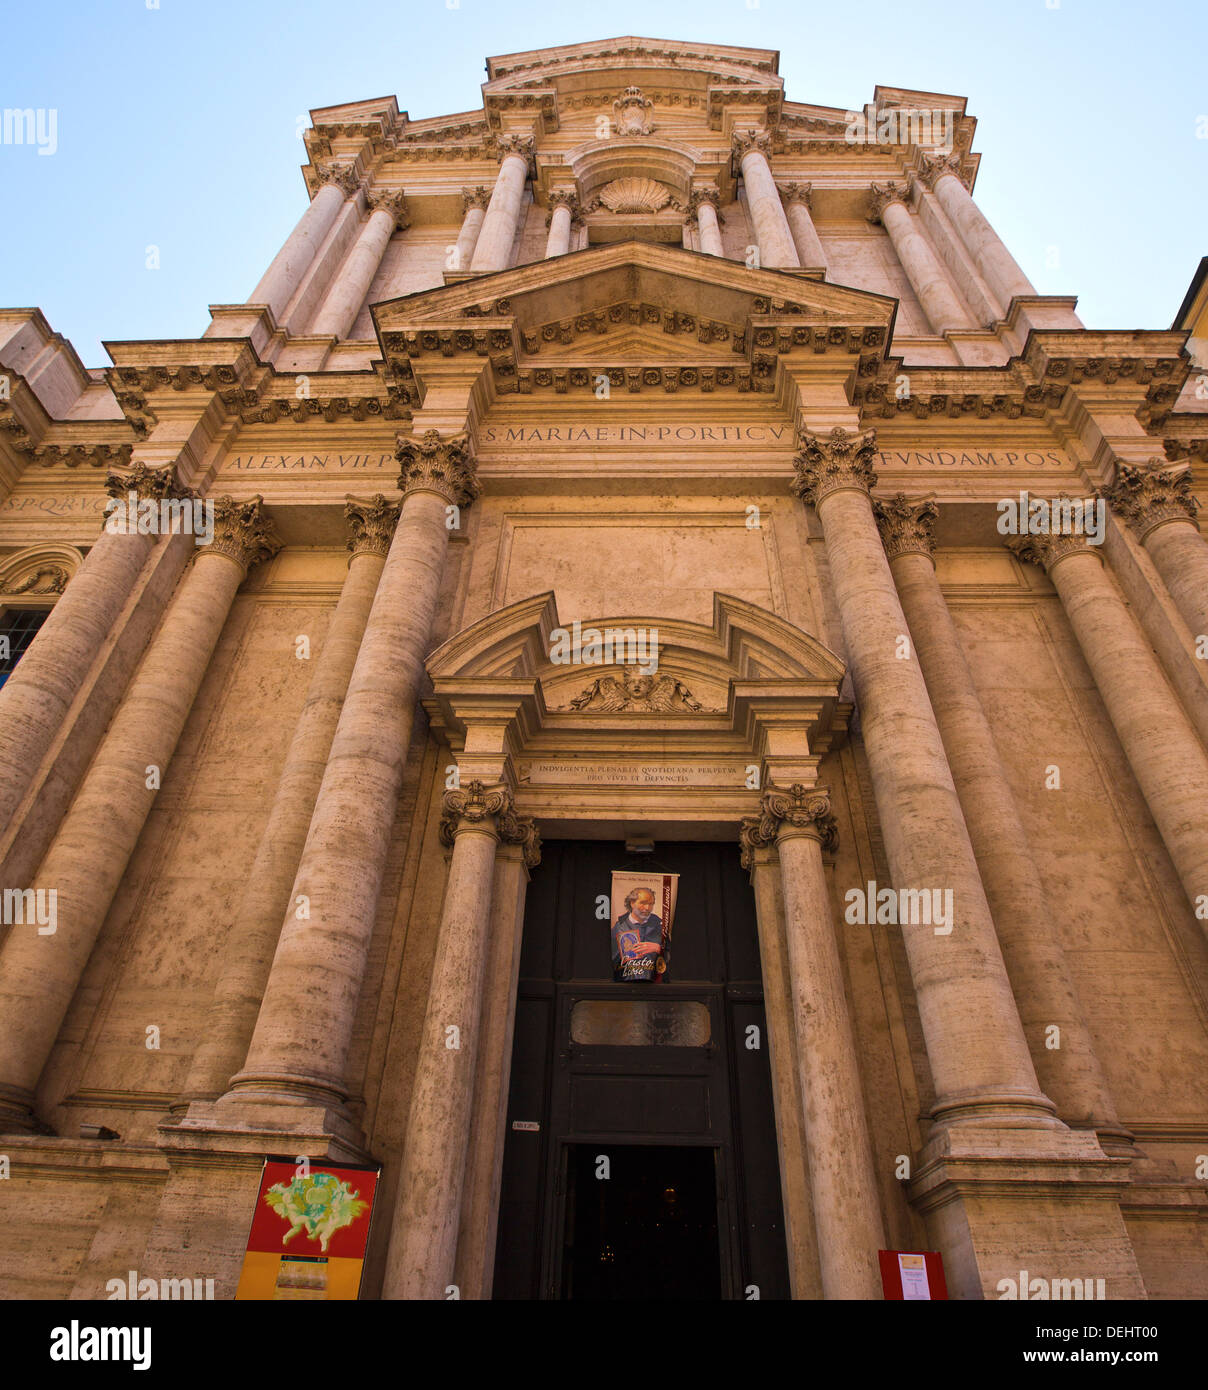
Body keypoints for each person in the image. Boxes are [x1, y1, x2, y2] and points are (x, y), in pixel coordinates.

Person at [611, 887, 664, 981]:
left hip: (654, 987)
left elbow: (672, 955)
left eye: (651, 904)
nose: (647, 908)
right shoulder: (619, 928)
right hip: (625, 985)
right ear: (632, 903)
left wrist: (658, 948)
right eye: (643, 903)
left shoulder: (660, 927)